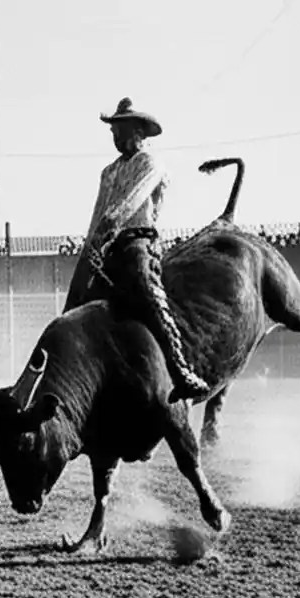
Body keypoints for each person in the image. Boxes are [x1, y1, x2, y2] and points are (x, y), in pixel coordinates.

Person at [63, 97, 210, 402]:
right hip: (105, 245)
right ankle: (64, 374)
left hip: (137, 243)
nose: (115, 136)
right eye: (113, 130)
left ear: (138, 130)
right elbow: (98, 211)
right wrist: (89, 249)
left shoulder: (149, 163)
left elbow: (127, 203)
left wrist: (104, 233)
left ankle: (180, 369)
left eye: (120, 128)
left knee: (145, 290)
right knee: (74, 302)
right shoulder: (108, 172)